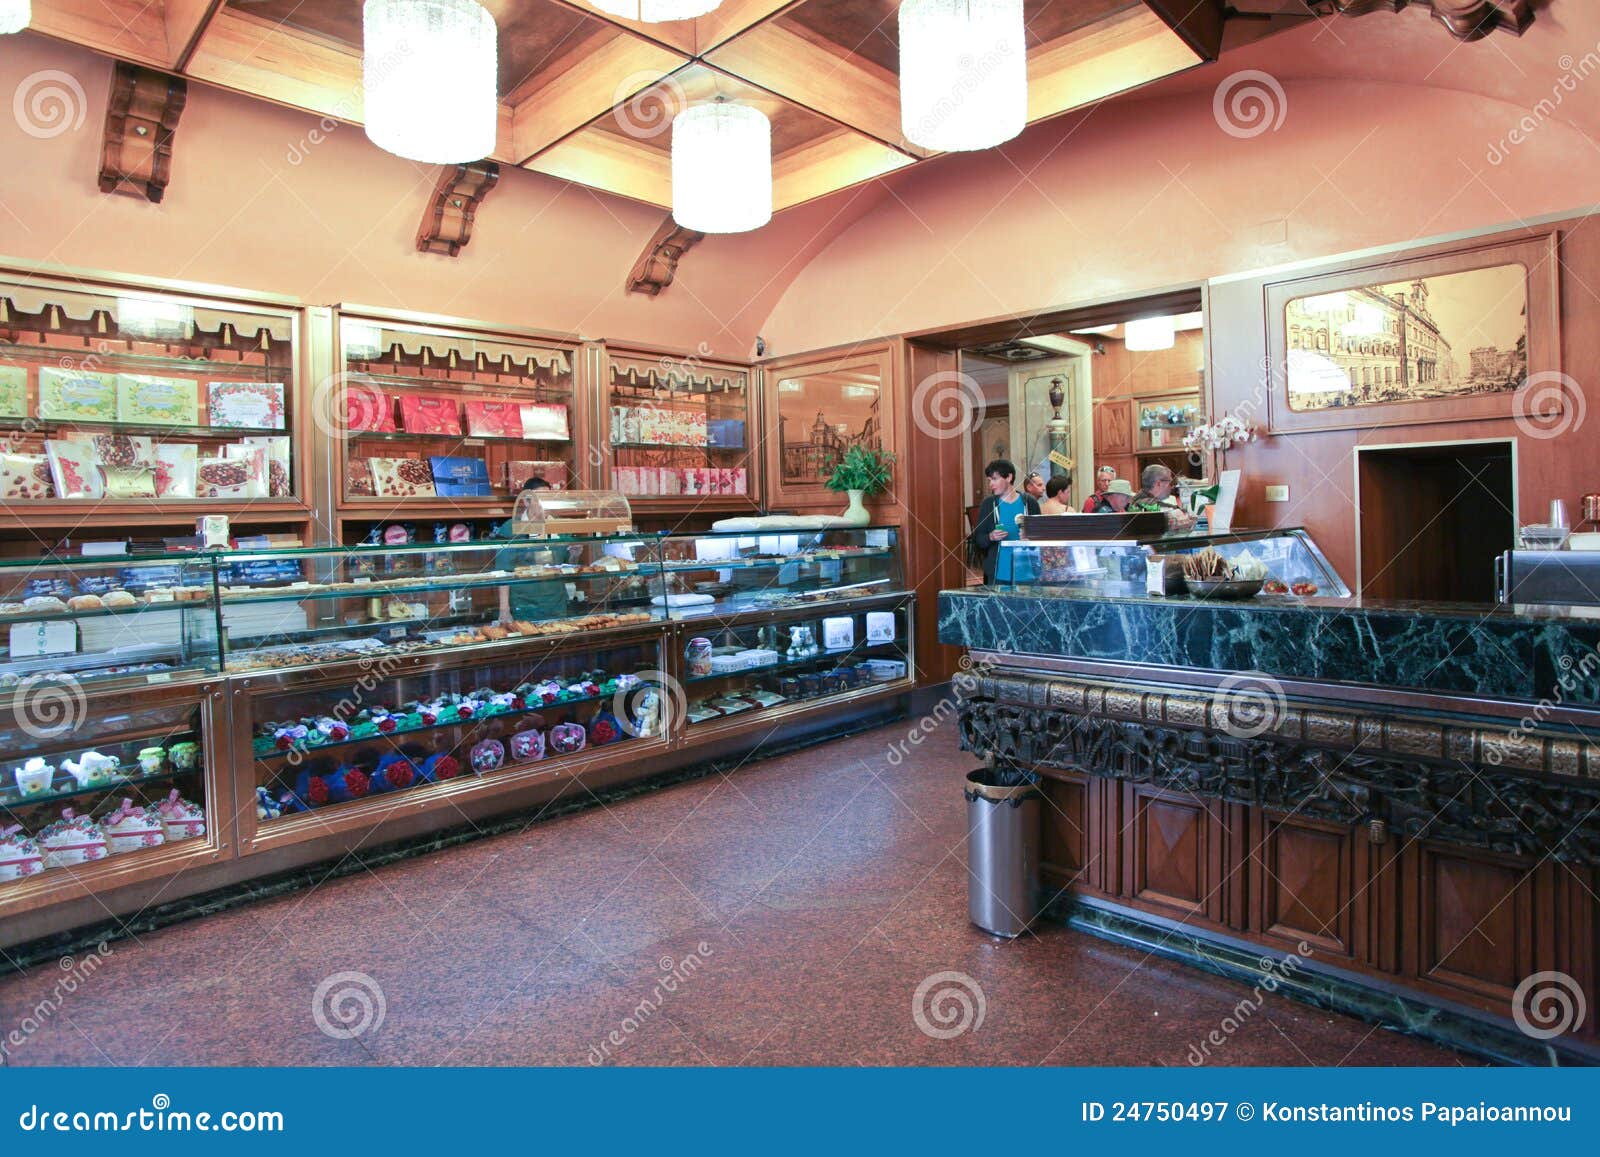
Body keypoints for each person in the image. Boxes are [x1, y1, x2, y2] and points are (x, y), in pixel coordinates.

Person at [497, 478, 571, 623]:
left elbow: (568, 566)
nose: (545, 503)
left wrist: (575, 554)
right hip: (523, 606)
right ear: (526, 501)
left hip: (556, 604)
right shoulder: (511, 528)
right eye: (540, 498)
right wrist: (504, 609)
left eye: (549, 498)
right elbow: (503, 572)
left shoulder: (560, 526)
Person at [969, 459, 1039, 584]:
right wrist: (991, 536)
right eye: (989, 480)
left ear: (1008, 477)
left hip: (1028, 573)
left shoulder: (1029, 503)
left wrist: (1031, 539)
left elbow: (1042, 537)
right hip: (998, 574)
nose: (991, 484)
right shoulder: (988, 504)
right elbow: (978, 539)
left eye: (995, 479)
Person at [1128, 463, 1197, 530]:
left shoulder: (1138, 499)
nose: (1172, 486)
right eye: (1170, 482)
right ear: (1159, 483)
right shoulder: (1145, 504)